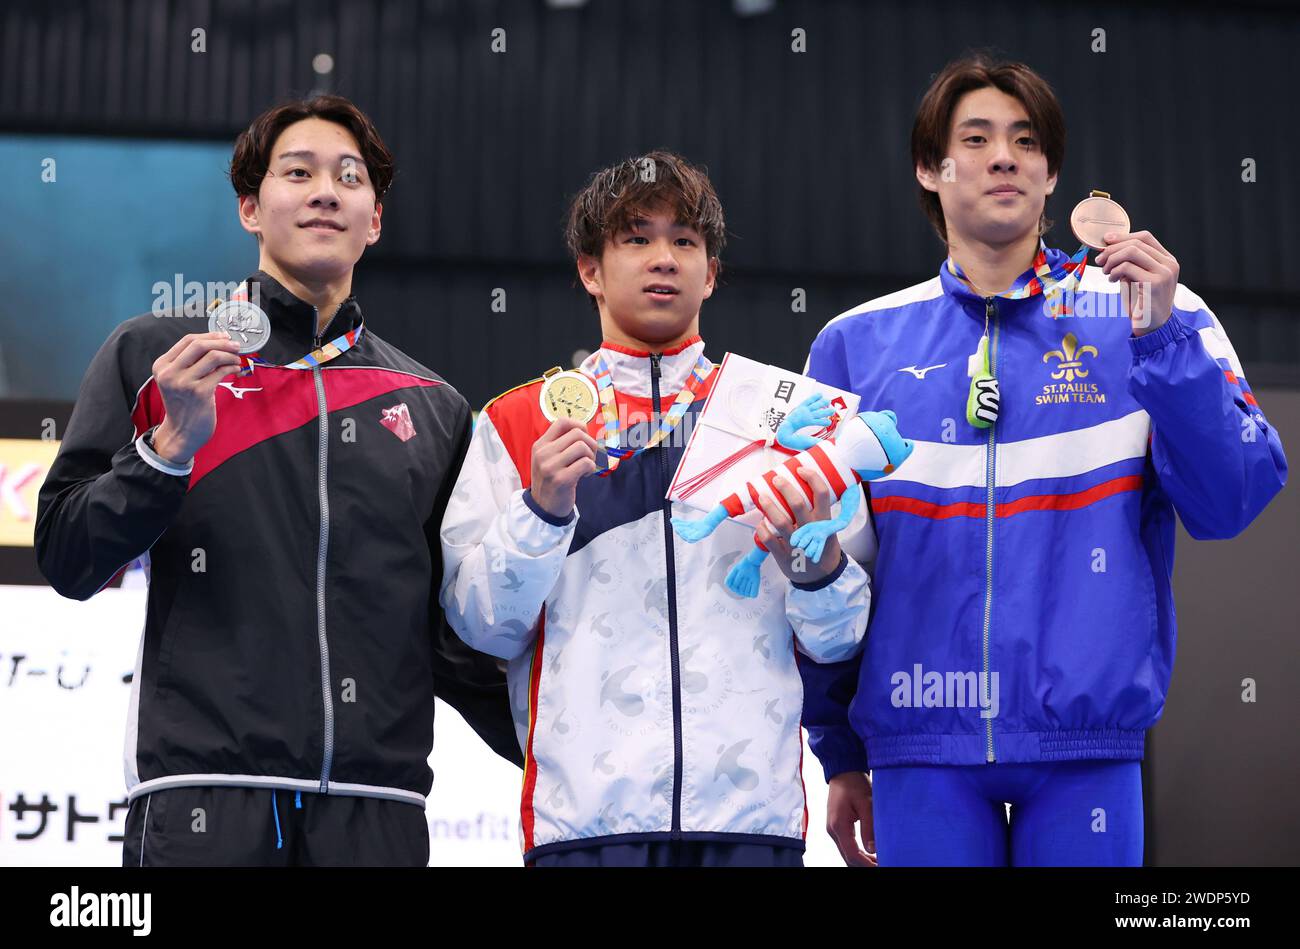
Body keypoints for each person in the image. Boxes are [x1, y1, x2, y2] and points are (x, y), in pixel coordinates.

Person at [799, 53, 1288, 867]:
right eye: (977, 138)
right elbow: (823, 569)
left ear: (1052, 172)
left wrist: (1162, 340)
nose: (1004, 157)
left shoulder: (1154, 311)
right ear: (930, 168)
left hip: (1087, 749)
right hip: (922, 747)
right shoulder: (856, 344)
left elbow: (1232, 499)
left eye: (1026, 142)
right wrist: (838, 750)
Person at [35, 94, 520, 867]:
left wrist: (562, 746)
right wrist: (166, 449)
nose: (326, 190)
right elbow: (66, 557)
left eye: (349, 177)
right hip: (204, 797)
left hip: (378, 811)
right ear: (250, 209)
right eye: (298, 172)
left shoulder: (434, 408)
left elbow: (452, 637)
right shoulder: (155, 357)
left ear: (376, 219)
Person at [439, 150, 871, 866]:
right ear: (590, 270)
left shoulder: (786, 420)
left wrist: (813, 556)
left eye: (685, 240)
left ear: (711, 272)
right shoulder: (517, 424)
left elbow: (840, 638)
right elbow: (481, 626)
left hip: (751, 821)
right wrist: (542, 511)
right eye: (636, 238)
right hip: (583, 823)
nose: (662, 258)